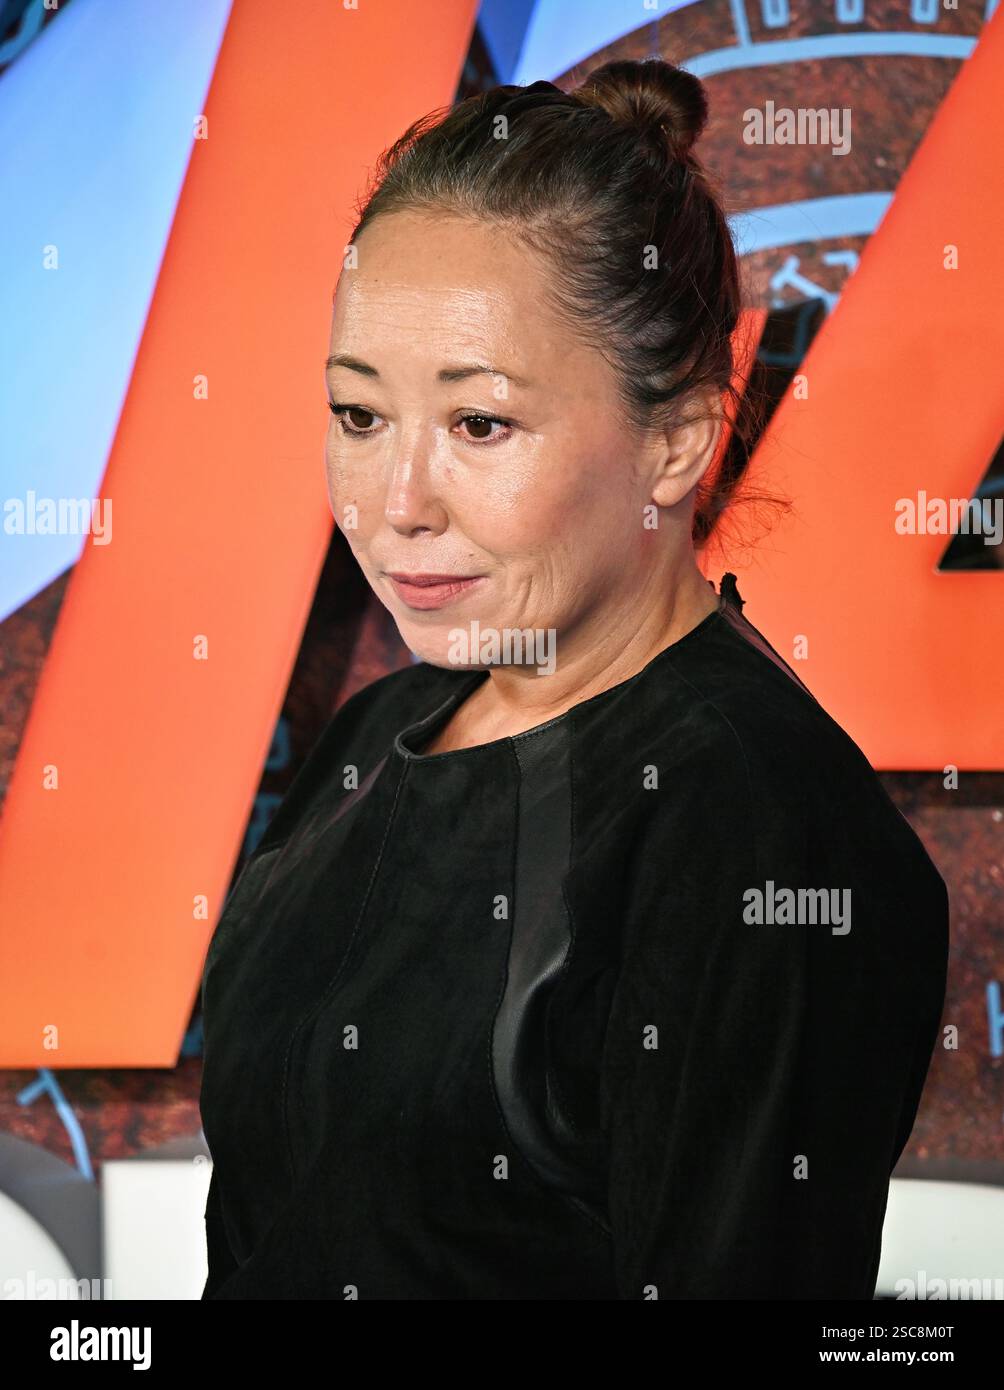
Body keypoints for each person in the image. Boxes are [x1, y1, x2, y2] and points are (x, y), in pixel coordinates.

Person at [198, 60, 949, 1299]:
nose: (396, 508)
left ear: (674, 440)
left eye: (479, 424)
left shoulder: (759, 830)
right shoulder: (374, 733)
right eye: (357, 414)